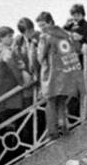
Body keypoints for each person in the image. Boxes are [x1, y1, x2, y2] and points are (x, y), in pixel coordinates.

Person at [36, 12, 84, 140]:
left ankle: (53, 131)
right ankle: (63, 126)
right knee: (61, 101)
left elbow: (40, 57)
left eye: (43, 25)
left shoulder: (45, 37)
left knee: (51, 103)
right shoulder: (65, 34)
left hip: (51, 74)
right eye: (40, 26)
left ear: (50, 22)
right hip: (65, 72)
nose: (42, 28)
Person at [0, 26, 32, 165]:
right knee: (11, 131)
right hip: (9, 98)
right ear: (1, 38)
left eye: (11, 35)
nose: (11, 38)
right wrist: (21, 80)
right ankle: (8, 162)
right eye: (8, 36)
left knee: (4, 131)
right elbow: (10, 61)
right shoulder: (5, 51)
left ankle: (2, 163)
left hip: (0, 97)